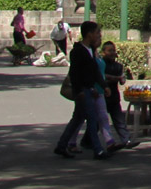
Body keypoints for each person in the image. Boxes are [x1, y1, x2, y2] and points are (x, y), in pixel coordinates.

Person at [53, 22, 117, 160]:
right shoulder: (77, 52)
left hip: (89, 88)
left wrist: (103, 85)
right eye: (96, 33)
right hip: (82, 90)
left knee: (77, 119)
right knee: (92, 119)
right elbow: (75, 73)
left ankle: (61, 145)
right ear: (89, 34)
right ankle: (98, 150)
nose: (98, 35)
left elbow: (95, 72)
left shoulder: (91, 51)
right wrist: (78, 90)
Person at [99, 42, 135, 148]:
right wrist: (115, 78)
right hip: (102, 96)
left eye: (113, 50)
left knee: (119, 120)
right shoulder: (101, 64)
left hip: (114, 97)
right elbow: (101, 77)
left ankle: (126, 140)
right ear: (103, 52)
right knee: (98, 121)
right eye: (109, 50)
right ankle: (87, 140)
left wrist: (124, 77)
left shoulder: (118, 66)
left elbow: (122, 81)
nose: (112, 53)